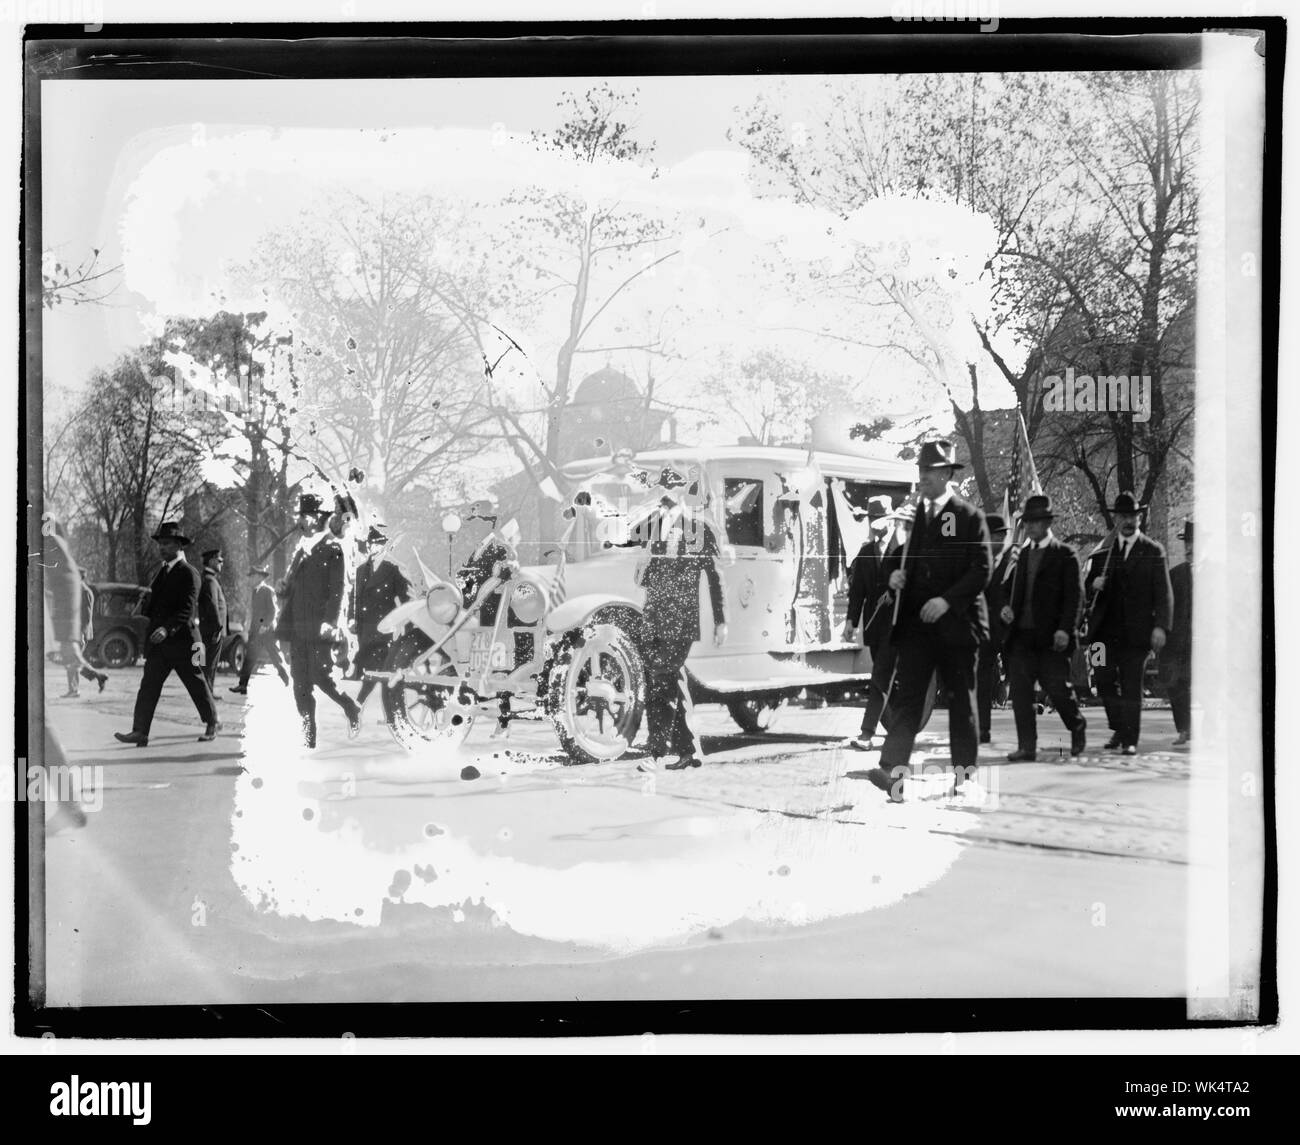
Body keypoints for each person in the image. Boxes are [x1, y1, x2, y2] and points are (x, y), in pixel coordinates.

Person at [862, 441, 991, 802]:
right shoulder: (918, 518)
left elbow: (982, 570)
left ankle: (964, 777)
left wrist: (946, 600)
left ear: (947, 474)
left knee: (962, 704)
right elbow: (900, 559)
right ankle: (892, 773)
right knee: (908, 699)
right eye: (920, 470)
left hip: (958, 627)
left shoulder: (968, 517)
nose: (922, 477)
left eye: (930, 471)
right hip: (919, 629)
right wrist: (893, 577)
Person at [636, 467, 727, 771]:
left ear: (677, 494)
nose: (660, 499)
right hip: (654, 617)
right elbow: (646, 579)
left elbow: (715, 576)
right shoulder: (652, 531)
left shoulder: (697, 529)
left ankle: (657, 751)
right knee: (666, 681)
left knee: (664, 680)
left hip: (680, 619)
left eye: (665, 492)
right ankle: (689, 751)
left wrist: (721, 620)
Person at [114, 522, 220, 747]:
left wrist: (166, 628)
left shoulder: (189, 573)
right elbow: (157, 606)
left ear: (179, 546)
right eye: (161, 544)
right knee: (148, 686)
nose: (162, 548)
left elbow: (187, 610)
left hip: (184, 642)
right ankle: (140, 731)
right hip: (160, 645)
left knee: (196, 684)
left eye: (168, 543)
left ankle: (212, 722)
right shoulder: (162, 572)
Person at [1084, 491, 1172, 756]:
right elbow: (1086, 591)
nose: (1128, 521)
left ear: (1139, 517)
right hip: (1102, 636)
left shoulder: (1153, 551)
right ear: (1116, 520)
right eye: (1123, 516)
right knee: (1102, 678)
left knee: (1132, 684)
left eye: (1132, 516)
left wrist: (1160, 626)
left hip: (1137, 636)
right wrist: (1092, 585)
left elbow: (1164, 593)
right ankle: (1120, 727)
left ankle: (1130, 738)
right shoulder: (1102, 556)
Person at [999, 495, 1087, 761]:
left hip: (1052, 637)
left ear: (1047, 523)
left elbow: (1075, 597)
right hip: (1022, 636)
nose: (1029, 527)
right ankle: (1027, 746)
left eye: (1035, 522)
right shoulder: (1022, 554)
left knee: (1058, 689)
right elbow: (1007, 589)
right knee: (1022, 694)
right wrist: (1005, 606)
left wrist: (1065, 628)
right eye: (1027, 522)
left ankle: (1077, 725)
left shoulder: (1065, 554)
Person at [277, 493, 361, 748]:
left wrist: (331, 623)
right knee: (300, 684)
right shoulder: (302, 550)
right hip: (297, 626)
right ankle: (308, 738)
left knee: (321, 677)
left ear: (319, 518)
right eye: (300, 515)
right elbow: (292, 588)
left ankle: (351, 706)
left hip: (319, 627)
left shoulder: (334, 549)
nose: (301, 520)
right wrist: (283, 587)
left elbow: (339, 590)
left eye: (305, 516)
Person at [842, 498, 906, 751]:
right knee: (886, 679)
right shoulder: (866, 552)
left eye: (879, 520)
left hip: (900, 624)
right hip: (874, 626)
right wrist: (851, 622)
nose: (875, 525)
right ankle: (898, 731)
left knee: (881, 676)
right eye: (872, 520)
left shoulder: (904, 549)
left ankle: (866, 733)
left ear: (889, 521)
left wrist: (895, 592)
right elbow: (857, 592)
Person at [41, 519, 108, 697]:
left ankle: (77, 688)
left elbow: (85, 615)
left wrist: (81, 634)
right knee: (70, 661)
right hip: (75, 631)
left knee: (72, 661)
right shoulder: (80, 590)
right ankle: (88, 680)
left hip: (79, 632)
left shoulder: (84, 592)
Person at [350, 524, 413, 710]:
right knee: (376, 672)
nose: (374, 547)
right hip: (364, 630)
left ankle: (360, 705)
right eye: (371, 543)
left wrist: (404, 626)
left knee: (379, 671)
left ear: (385, 545)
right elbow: (354, 597)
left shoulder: (393, 569)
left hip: (384, 630)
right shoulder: (361, 570)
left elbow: (407, 599)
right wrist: (351, 619)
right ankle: (391, 711)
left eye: (378, 543)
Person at [977, 513, 1012, 744]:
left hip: (1009, 630)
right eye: (995, 536)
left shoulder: (1013, 561)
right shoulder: (978, 562)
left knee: (1018, 676)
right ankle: (983, 728)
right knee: (982, 680)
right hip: (985, 631)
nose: (999, 541)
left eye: (1002, 536)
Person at [1160, 520, 1193, 745]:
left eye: (1194, 543)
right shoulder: (1175, 574)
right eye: (1187, 543)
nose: (1190, 548)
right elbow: (1165, 606)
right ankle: (1184, 729)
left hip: (1208, 642)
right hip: (1179, 642)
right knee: (1176, 685)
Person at [230, 566, 289, 692]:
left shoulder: (268, 590)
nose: (250, 579)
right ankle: (242, 685)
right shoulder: (255, 591)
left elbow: (273, 611)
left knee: (276, 658)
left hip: (268, 632)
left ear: (258, 577)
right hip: (256, 632)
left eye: (251, 577)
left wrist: (265, 625)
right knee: (250, 657)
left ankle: (288, 682)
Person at [197, 547, 228, 698]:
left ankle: (206, 691)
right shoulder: (210, 581)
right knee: (210, 663)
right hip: (212, 630)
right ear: (212, 561)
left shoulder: (210, 579)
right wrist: (217, 629)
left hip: (210, 629)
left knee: (208, 662)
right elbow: (212, 606)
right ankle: (207, 693)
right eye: (219, 561)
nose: (222, 563)